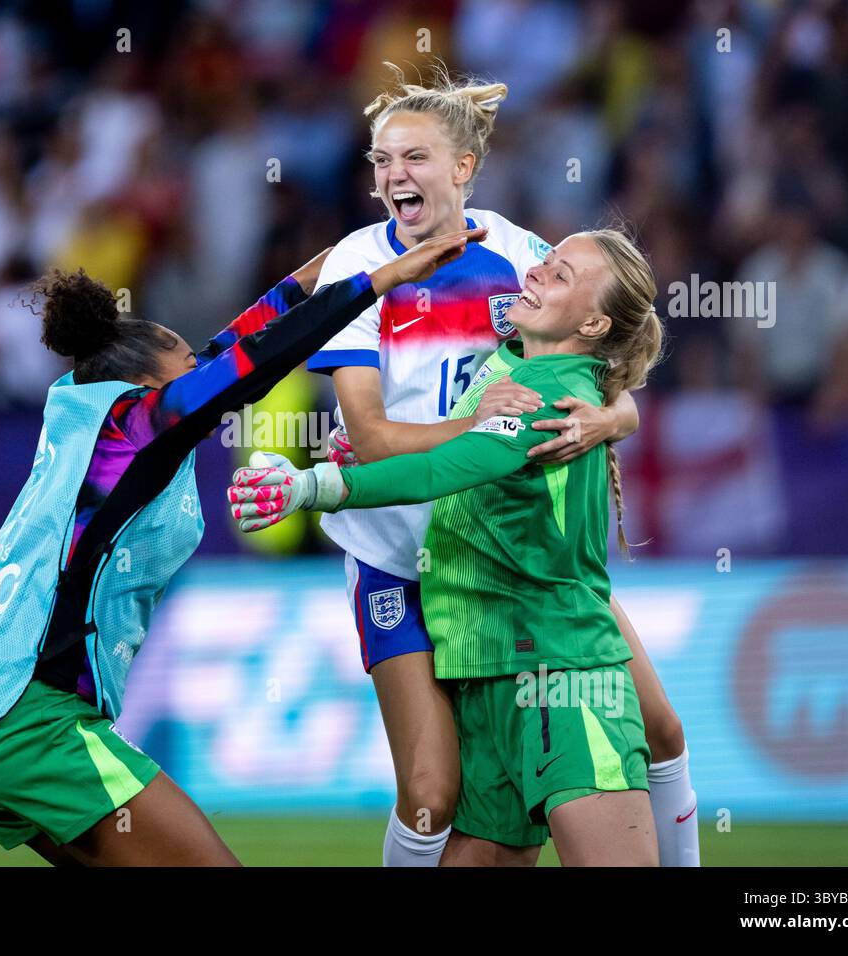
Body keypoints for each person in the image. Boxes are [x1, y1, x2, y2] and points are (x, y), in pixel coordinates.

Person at [0, 226, 485, 866]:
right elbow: (254, 364)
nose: (202, 361)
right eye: (187, 356)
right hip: (31, 722)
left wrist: (347, 254)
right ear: (146, 377)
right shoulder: (137, 424)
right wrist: (382, 280)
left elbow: (245, 337)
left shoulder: (86, 417)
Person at [307, 64, 697, 866]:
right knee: (430, 795)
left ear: (463, 168)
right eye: (380, 160)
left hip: (506, 557)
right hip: (395, 558)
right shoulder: (358, 266)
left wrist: (612, 416)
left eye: (413, 157)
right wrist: (476, 425)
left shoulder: (522, 255)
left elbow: (605, 339)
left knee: (660, 727)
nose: (392, 176)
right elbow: (375, 442)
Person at [230, 229, 665, 865]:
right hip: (486, 675)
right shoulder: (511, 352)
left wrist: (312, 485)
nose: (537, 271)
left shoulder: (548, 394)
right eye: (547, 260)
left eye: (562, 275)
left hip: (562, 676)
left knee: (662, 741)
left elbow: (443, 470)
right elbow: (441, 435)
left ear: (595, 323)